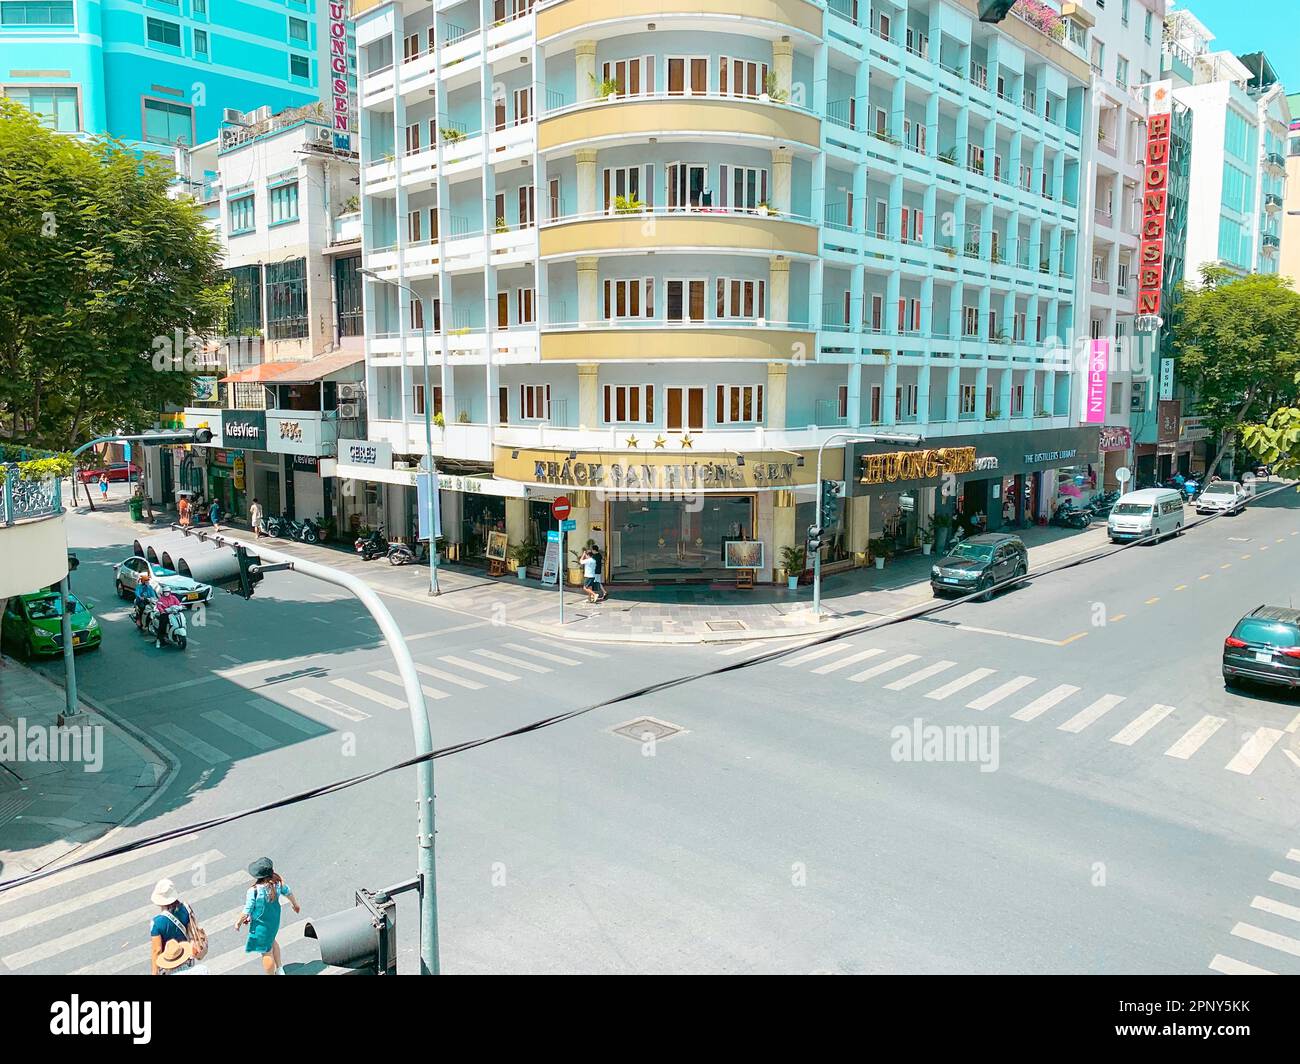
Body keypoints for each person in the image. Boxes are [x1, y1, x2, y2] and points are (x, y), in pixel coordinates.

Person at [235, 857, 300, 975]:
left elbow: (247, 909)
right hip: (274, 920)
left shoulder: (253, 891)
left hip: (261, 925)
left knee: (266, 952)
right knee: (272, 941)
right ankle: (280, 969)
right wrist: (295, 904)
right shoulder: (277, 883)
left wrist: (238, 922)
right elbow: (288, 892)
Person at [150, 877, 199, 975]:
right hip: (186, 956)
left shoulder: (156, 923)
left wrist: (154, 973)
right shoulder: (186, 908)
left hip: (169, 964)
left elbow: (157, 950)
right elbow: (193, 930)